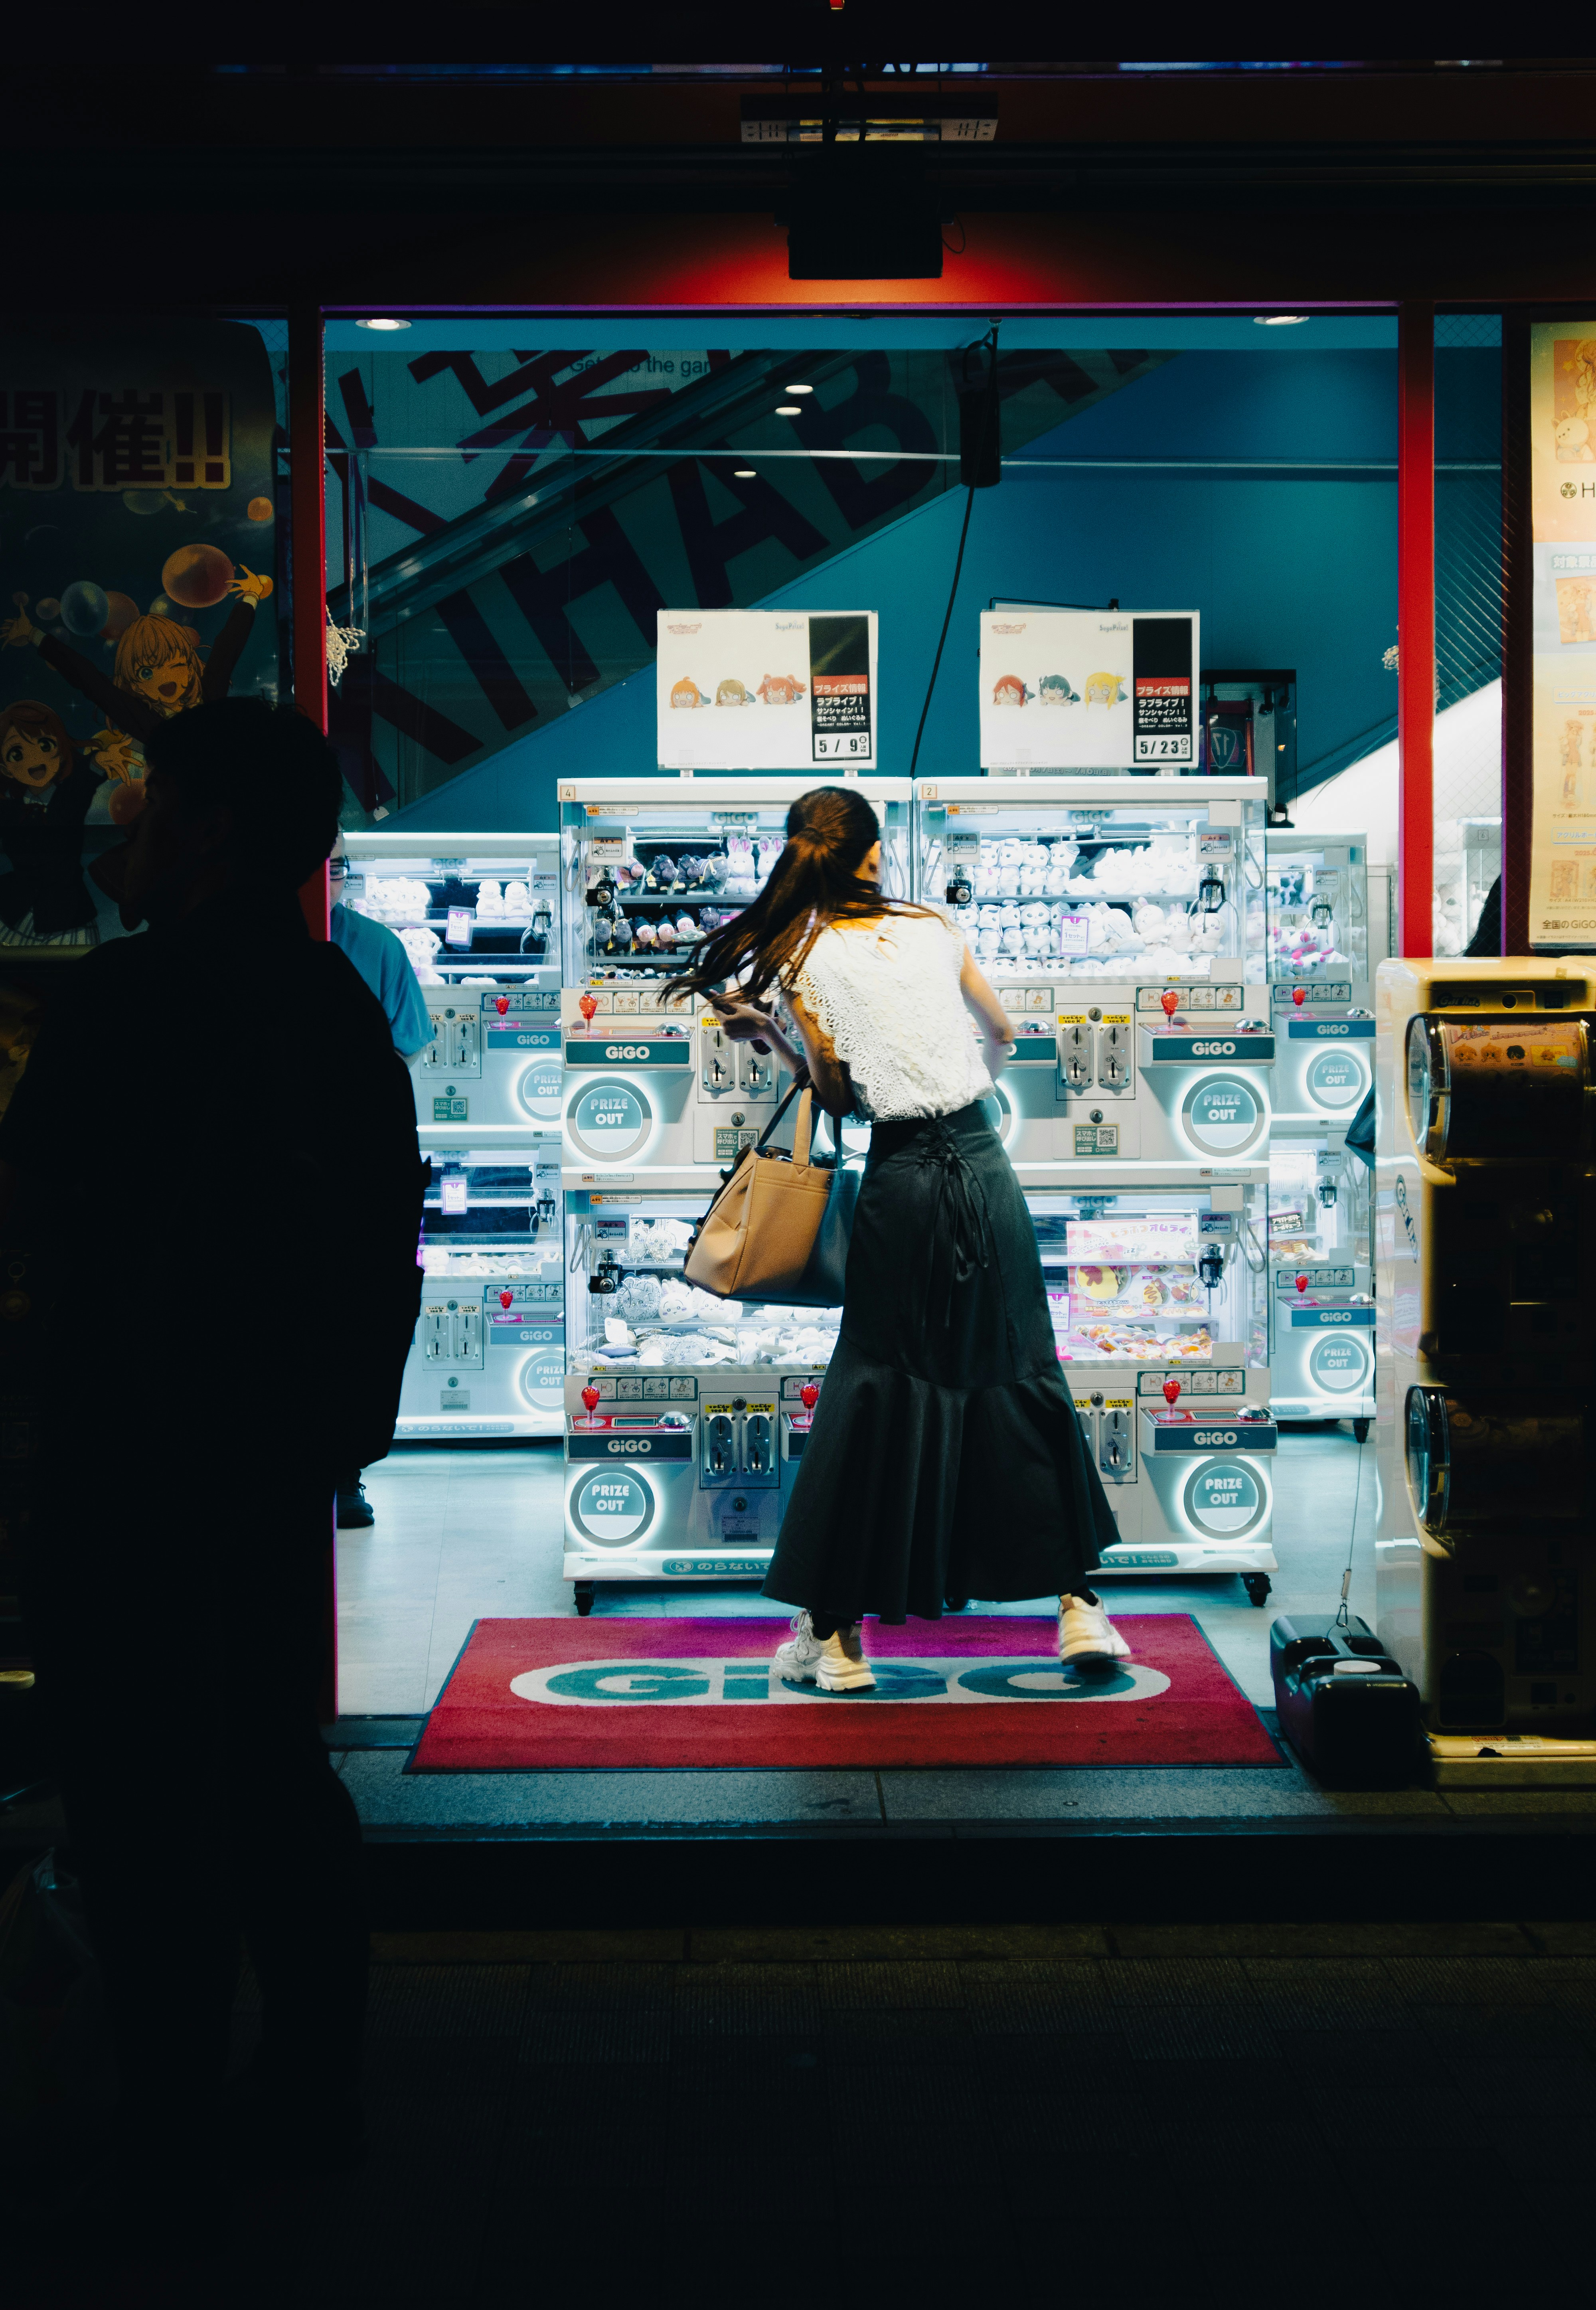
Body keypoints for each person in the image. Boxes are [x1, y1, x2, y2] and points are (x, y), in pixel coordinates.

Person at [0, 698, 425, 2207]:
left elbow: (38, 1208)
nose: (122, 826)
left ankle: (165, 2125)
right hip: (269, 1452)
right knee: (267, 1772)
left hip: (131, 1447)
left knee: (138, 1794)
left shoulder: (130, 995)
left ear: (213, 830)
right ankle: (310, 2096)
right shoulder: (333, 1003)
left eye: (150, 803)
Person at [668, 784, 1125, 1694]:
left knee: (876, 1387)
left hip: (904, 1181)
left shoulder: (799, 952)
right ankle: (1080, 1611)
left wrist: (771, 1040)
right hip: (985, 1171)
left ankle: (835, 1641)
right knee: (1018, 1371)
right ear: (873, 855)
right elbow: (999, 1034)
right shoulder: (929, 928)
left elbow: (838, 1098)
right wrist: (971, 1085)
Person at [326, 833, 433, 1527]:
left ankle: (344, 1472)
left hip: (355, 1172)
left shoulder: (376, 947)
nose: (328, 880)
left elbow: (405, 1051)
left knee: (353, 1328)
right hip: (339, 1172)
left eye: (336, 867)